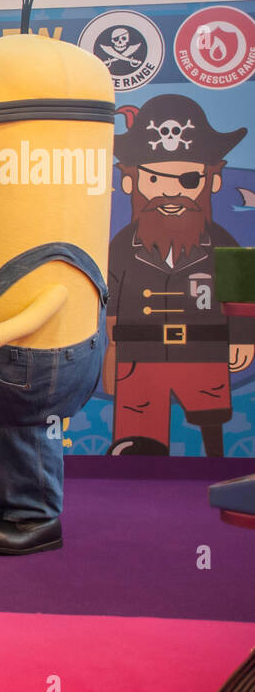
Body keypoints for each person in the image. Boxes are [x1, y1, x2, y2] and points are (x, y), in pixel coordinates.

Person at [105, 94, 254, 456]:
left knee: (212, 432)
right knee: (136, 439)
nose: (170, 191)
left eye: (188, 179)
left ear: (211, 181)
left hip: (204, 352)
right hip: (138, 356)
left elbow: (242, 292)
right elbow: (109, 302)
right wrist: (111, 351)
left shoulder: (223, 241)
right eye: (154, 178)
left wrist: (244, 338)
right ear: (130, 182)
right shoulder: (121, 245)